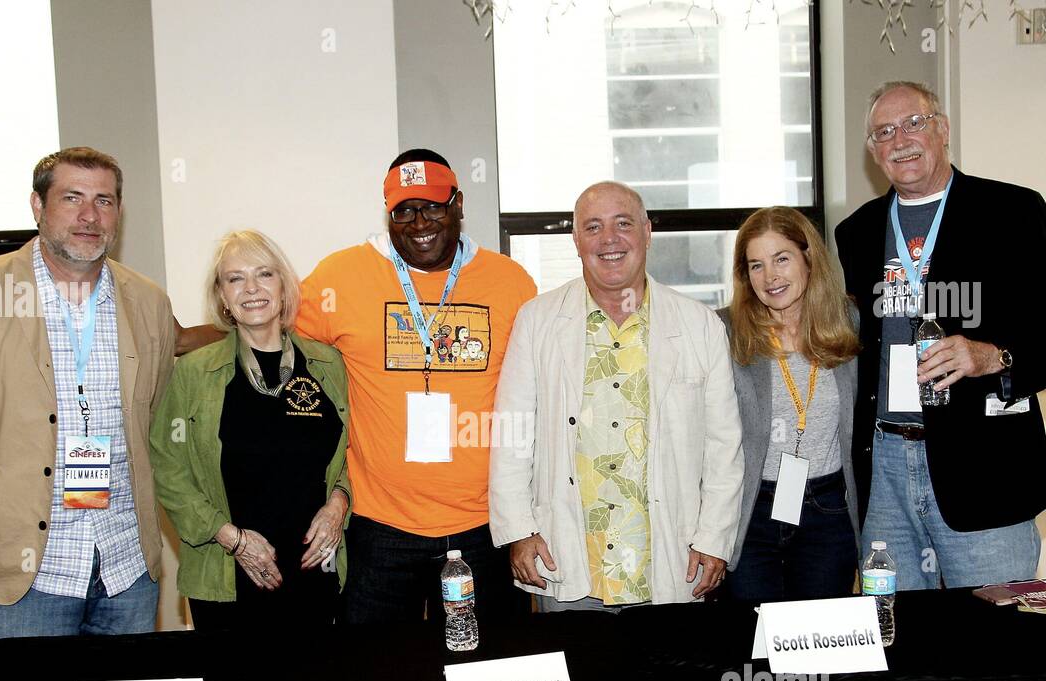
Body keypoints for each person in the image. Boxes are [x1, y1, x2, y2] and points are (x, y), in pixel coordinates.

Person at [0, 147, 176, 638]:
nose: (90, 216)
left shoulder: (148, 302)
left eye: (104, 201)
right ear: (37, 206)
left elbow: (155, 411)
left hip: (126, 564)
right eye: (72, 198)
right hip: (26, 572)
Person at [835, 81, 1046, 589]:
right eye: (884, 132)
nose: (900, 139)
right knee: (895, 636)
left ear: (942, 130)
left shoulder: (1012, 212)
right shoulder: (856, 232)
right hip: (883, 468)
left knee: (996, 636)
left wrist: (990, 357)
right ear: (873, 151)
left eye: (913, 123)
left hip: (984, 465)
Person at [295, 148, 537, 626]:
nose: (419, 221)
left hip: (486, 526)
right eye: (403, 210)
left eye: (432, 205)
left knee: (484, 676)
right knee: (379, 679)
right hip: (381, 529)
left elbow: (545, 385)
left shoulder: (511, 283)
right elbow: (265, 332)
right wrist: (185, 340)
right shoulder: (338, 278)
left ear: (459, 204)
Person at [489, 181, 743, 610]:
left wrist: (714, 538)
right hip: (567, 558)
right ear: (576, 240)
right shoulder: (537, 321)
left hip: (670, 560)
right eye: (593, 227)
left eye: (623, 224)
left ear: (647, 231)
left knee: (670, 679)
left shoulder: (700, 325)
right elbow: (513, 434)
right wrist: (518, 529)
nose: (609, 239)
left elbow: (724, 447)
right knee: (576, 677)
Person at [150, 230, 350, 631]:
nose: (252, 289)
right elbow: (167, 471)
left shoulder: (328, 364)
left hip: (316, 569)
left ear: (284, 287)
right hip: (227, 572)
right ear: (222, 296)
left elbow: (355, 453)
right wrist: (233, 540)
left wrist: (339, 504)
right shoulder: (193, 373)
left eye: (264, 274)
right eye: (235, 278)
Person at [722, 207, 861, 604]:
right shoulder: (726, 332)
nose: (771, 277)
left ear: (808, 257)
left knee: (818, 645)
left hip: (828, 510)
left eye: (781, 258)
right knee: (757, 645)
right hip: (751, 514)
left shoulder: (848, 321)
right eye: (756, 265)